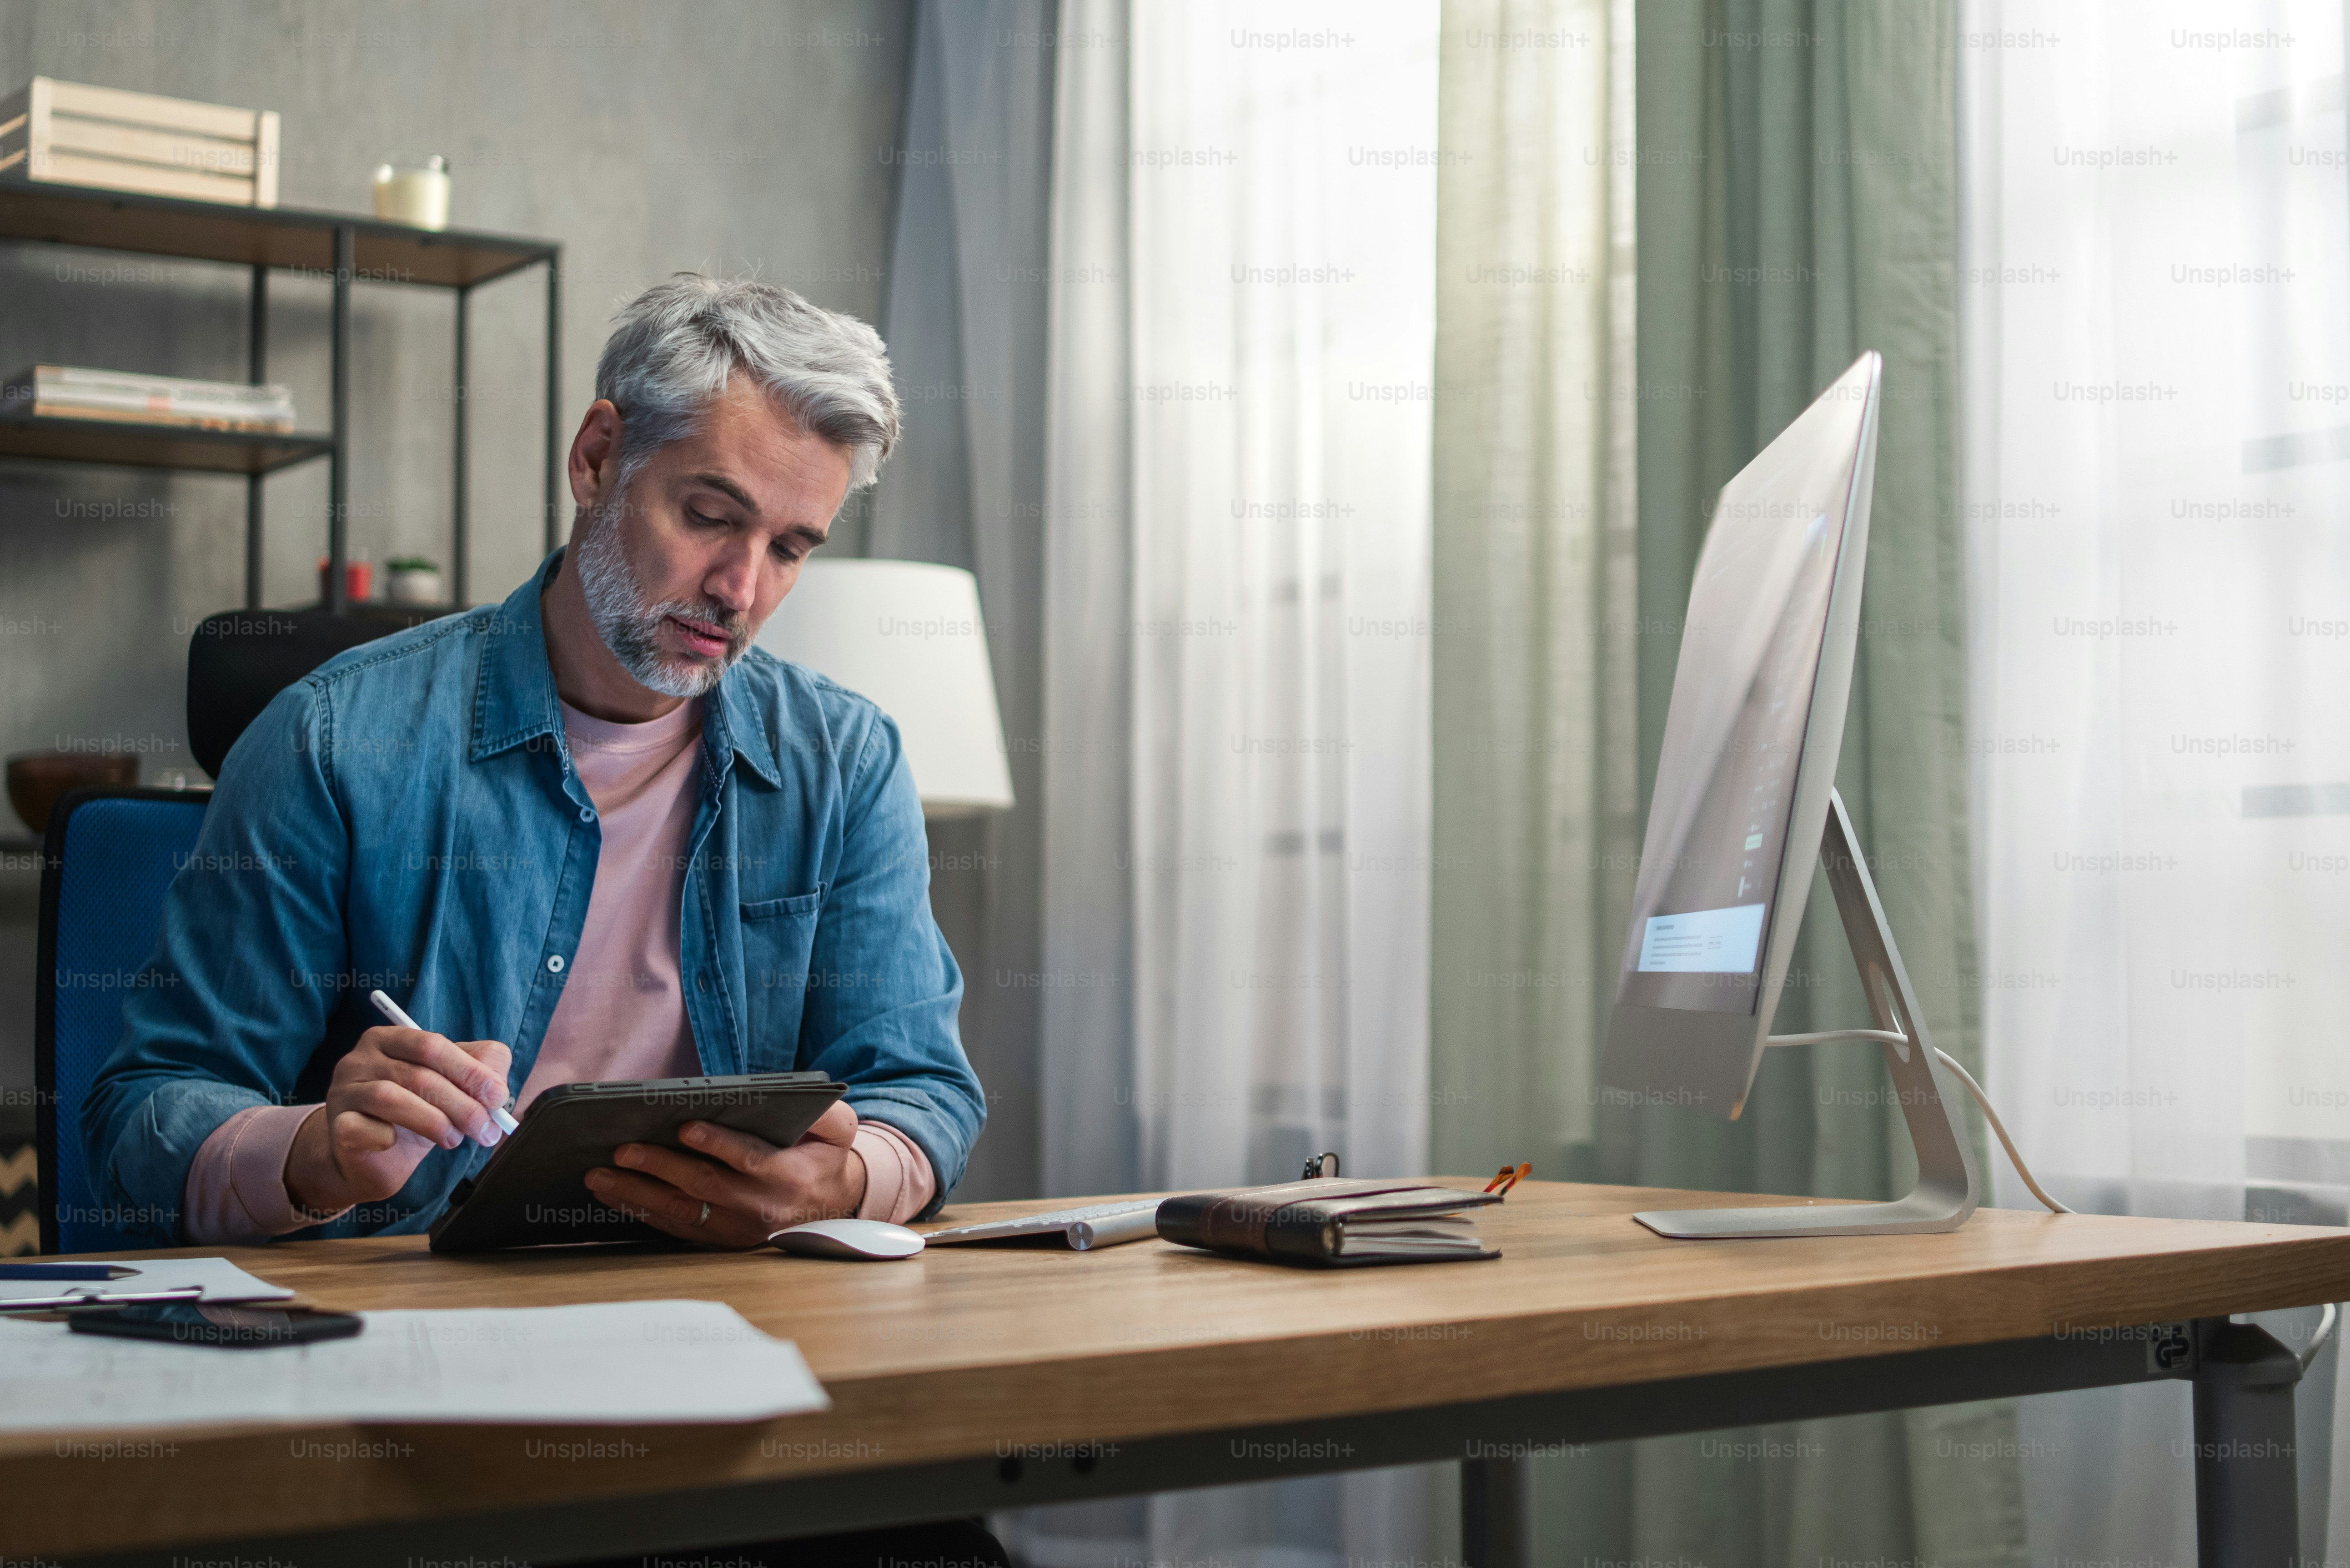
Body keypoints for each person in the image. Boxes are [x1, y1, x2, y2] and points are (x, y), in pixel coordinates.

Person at [86, 275, 985, 1252]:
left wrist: (844, 1178)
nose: (740, 588)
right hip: (409, 1324)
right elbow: (141, 1120)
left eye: (789, 547)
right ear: (598, 457)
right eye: (711, 516)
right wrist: (313, 1151)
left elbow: (922, 1089)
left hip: (733, 1308)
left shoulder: (846, 763)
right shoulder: (329, 739)